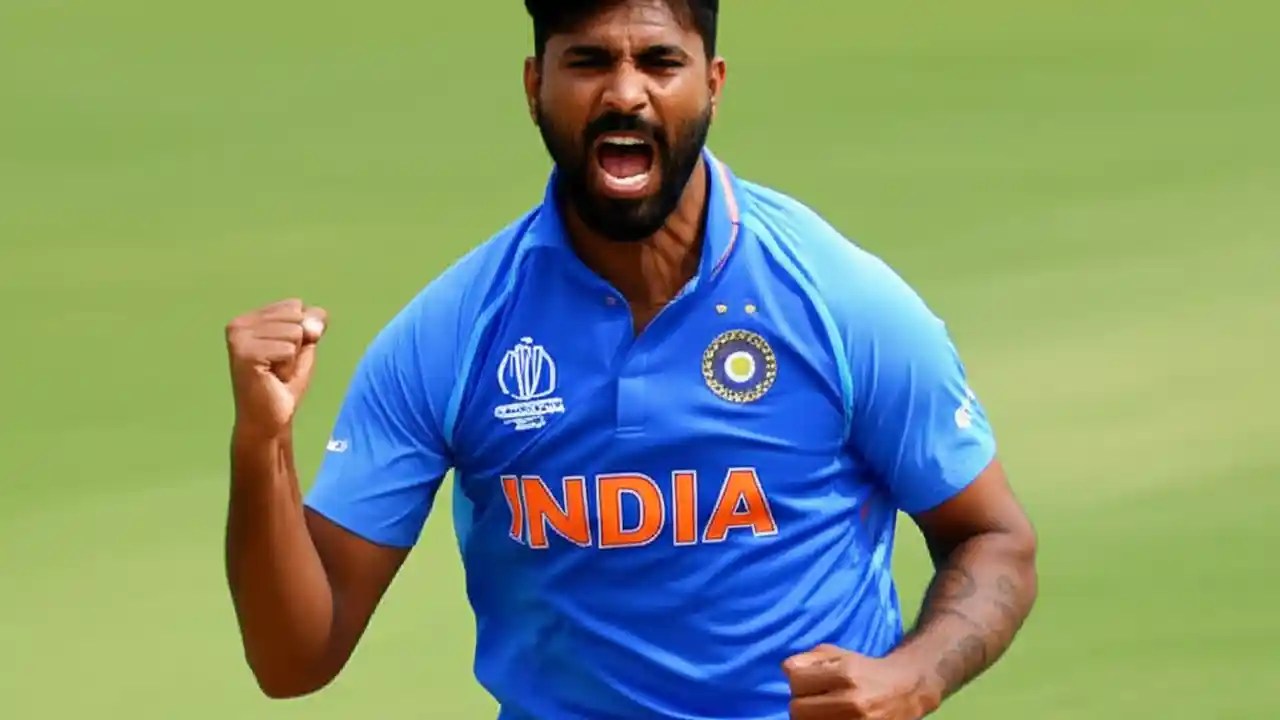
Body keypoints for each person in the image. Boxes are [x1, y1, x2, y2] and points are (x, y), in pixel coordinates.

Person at [222, 0, 1039, 717]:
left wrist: (913, 678)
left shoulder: (839, 301)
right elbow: (295, 660)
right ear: (534, 86)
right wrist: (263, 446)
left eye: (659, 61)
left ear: (713, 84)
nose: (624, 93)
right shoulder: (453, 335)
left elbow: (994, 537)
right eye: (587, 62)